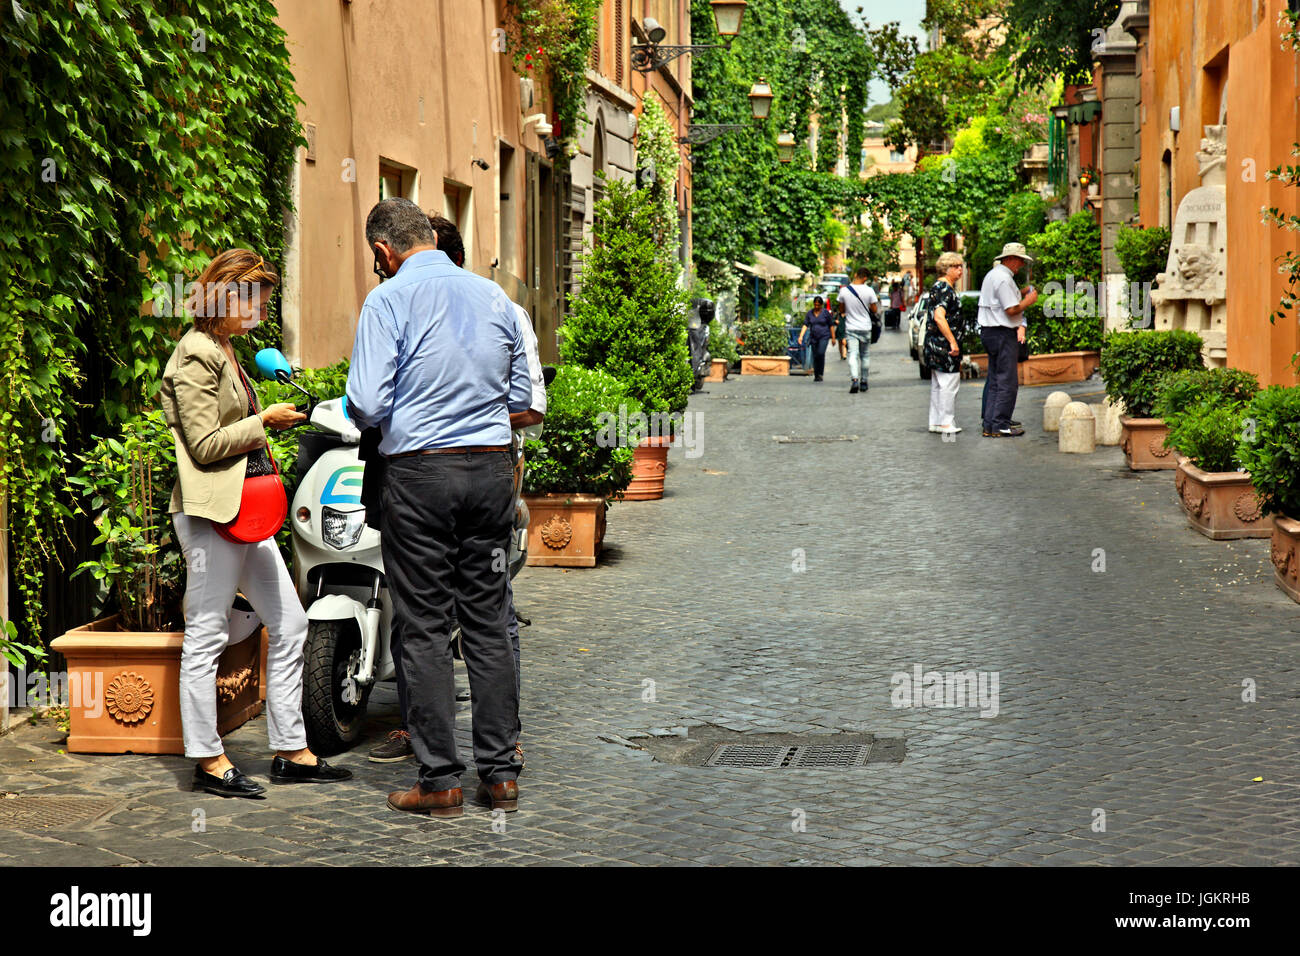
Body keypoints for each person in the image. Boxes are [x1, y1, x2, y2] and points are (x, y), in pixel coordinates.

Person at [348, 198, 532, 818]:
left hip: (421, 476)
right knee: (486, 619)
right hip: (489, 473)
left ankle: (440, 781)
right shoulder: (493, 298)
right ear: (431, 236)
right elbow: (523, 396)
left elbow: (368, 403)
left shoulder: (387, 299)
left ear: (383, 251)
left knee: (424, 625)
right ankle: (501, 775)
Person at [161, 249, 353, 798]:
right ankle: (208, 759)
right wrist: (262, 421)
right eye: (259, 301)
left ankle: (291, 750)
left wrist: (267, 421)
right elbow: (203, 445)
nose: (264, 313)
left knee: (290, 624)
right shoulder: (196, 353)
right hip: (211, 515)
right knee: (206, 633)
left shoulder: (225, 348)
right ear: (230, 296)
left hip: (246, 512)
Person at [978, 242, 1039, 438]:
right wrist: (1028, 301)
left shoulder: (994, 275)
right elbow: (1011, 309)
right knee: (1007, 381)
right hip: (1002, 333)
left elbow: (1001, 301)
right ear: (1011, 259)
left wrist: (1020, 293)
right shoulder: (1003, 278)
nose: (1021, 265)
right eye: (1020, 260)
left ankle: (991, 424)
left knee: (996, 379)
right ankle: (1000, 424)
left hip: (991, 332)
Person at [923, 252, 967, 435]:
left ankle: (936, 421)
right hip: (943, 345)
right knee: (949, 384)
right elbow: (939, 317)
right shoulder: (944, 289)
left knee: (938, 385)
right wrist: (953, 342)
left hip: (936, 344)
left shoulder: (939, 287)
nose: (960, 270)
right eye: (956, 266)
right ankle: (946, 423)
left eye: (960, 266)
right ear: (946, 268)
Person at [838, 267, 879, 393]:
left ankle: (855, 379)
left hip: (851, 327)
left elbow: (841, 310)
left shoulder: (844, 291)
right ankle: (864, 381)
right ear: (865, 278)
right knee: (865, 355)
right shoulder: (869, 291)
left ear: (856, 274)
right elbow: (874, 310)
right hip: (865, 327)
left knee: (853, 354)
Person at [797, 295, 835, 381]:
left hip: (824, 336)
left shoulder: (826, 313)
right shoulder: (810, 313)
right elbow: (805, 325)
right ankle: (816, 374)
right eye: (815, 305)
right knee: (815, 355)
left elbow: (831, 325)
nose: (816, 306)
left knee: (821, 353)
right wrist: (801, 336)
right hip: (813, 337)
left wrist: (833, 337)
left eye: (818, 305)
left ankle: (820, 373)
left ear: (821, 305)